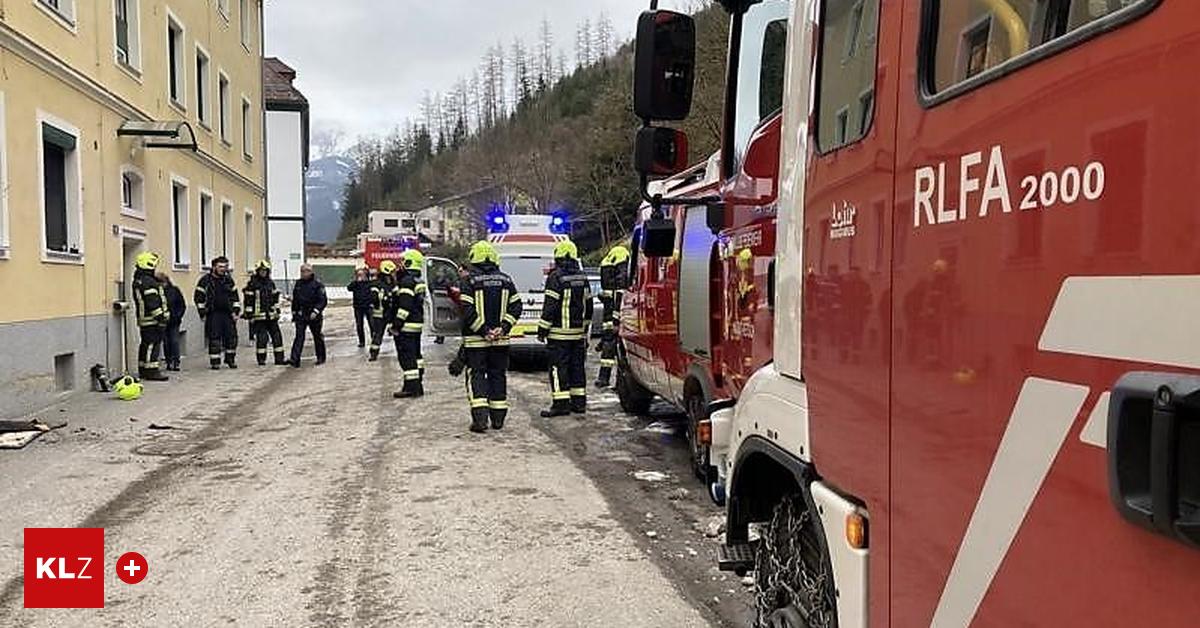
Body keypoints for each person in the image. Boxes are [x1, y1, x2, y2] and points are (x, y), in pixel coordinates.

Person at [460, 241, 523, 433]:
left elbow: (467, 311)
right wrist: (502, 328)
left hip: (476, 341)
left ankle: (480, 419)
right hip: (500, 341)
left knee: (477, 375)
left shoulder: (469, 281)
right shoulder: (506, 280)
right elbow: (516, 307)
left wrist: (484, 331)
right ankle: (498, 420)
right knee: (498, 375)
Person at [537, 240, 594, 417]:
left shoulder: (555, 278)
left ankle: (560, 404)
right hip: (577, 335)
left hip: (558, 335)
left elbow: (550, 306)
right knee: (577, 367)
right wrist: (584, 330)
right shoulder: (582, 277)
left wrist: (542, 330)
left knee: (558, 368)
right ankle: (579, 403)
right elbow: (589, 306)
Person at [391, 249, 428, 399]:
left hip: (406, 326)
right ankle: (417, 384)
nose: (400, 265)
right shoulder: (419, 280)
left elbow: (404, 306)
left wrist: (396, 325)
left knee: (407, 358)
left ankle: (411, 388)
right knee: (416, 356)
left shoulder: (406, 281)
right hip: (416, 325)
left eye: (403, 261)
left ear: (408, 262)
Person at [195, 256, 242, 369]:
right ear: (214, 267)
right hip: (213, 313)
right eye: (220, 266)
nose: (223, 269)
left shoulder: (229, 280)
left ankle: (230, 359)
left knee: (232, 338)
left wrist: (236, 311)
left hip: (228, 313)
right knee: (214, 338)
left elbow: (235, 297)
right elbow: (198, 297)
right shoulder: (205, 280)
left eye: (225, 266)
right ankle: (215, 362)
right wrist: (202, 312)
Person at [595, 244, 630, 388]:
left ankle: (608, 380)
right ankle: (616, 382)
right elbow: (614, 302)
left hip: (612, 323)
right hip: (614, 322)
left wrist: (615, 323)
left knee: (612, 352)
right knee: (616, 352)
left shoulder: (614, 287)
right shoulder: (618, 285)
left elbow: (614, 303)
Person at [131, 252, 170, 381]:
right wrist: (161, 318)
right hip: (151, 319)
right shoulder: (148, 281)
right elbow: (152, 302)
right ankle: (151, 370)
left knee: (146, 344)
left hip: (146, 319)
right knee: (152, 344)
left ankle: (143, 368)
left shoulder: (140, 279)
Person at [243, 260, 287, 366]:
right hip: (259, 317)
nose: (263, 273)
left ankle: (279, 359)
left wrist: (277, 310)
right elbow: (248, 300)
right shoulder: (252, 284)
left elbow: (275, 299)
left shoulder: (270, 283)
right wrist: (249, 314)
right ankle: (261, 360)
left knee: (277, 338)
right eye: (261, 271)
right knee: (262, 339)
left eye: (265, 271)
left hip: (271, 316)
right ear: (257, 271)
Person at [289, 264, 328, 367]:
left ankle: (321, 357)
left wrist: (316, 311)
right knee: (299, 336)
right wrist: (294, 312)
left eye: (306, 271)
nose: (304, 273)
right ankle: (294, 359)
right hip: (301, 315)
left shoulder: (317, 284)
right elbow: (295, 300)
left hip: (313, 315)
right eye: (302, 271)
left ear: (311, 272)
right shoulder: (298, 284)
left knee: (317, 336)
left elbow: (322, 300)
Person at [368, 260, 400, 362]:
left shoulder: (393, 284)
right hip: (380, 315)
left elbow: (397, 298)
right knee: (378, 335)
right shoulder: (377, 284)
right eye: (392, 271)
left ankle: (401, 353)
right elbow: (373, 298)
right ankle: (373, 353)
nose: (394, 274)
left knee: (396, 334)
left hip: (391, 314)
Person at [161, 271, 187, 372]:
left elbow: (182, 305)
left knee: (174, 341)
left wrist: (177, 316)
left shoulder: (174, 290)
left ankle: (176, 362)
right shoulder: (158, 292)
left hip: (174, 321)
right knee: (166, 342)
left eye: (162, 282)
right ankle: (169, 361)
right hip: (163, 321)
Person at [346, 265, 373, 348]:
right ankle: (362, 341)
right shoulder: (356, 284)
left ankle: (373, 339)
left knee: (371, 324)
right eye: (359, 275)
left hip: (368, 306)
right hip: (358, 307)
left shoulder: (370, 283)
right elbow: (349, 288)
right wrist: (356, 281)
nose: (360, 276)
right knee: (359, 325)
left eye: (362, 274)